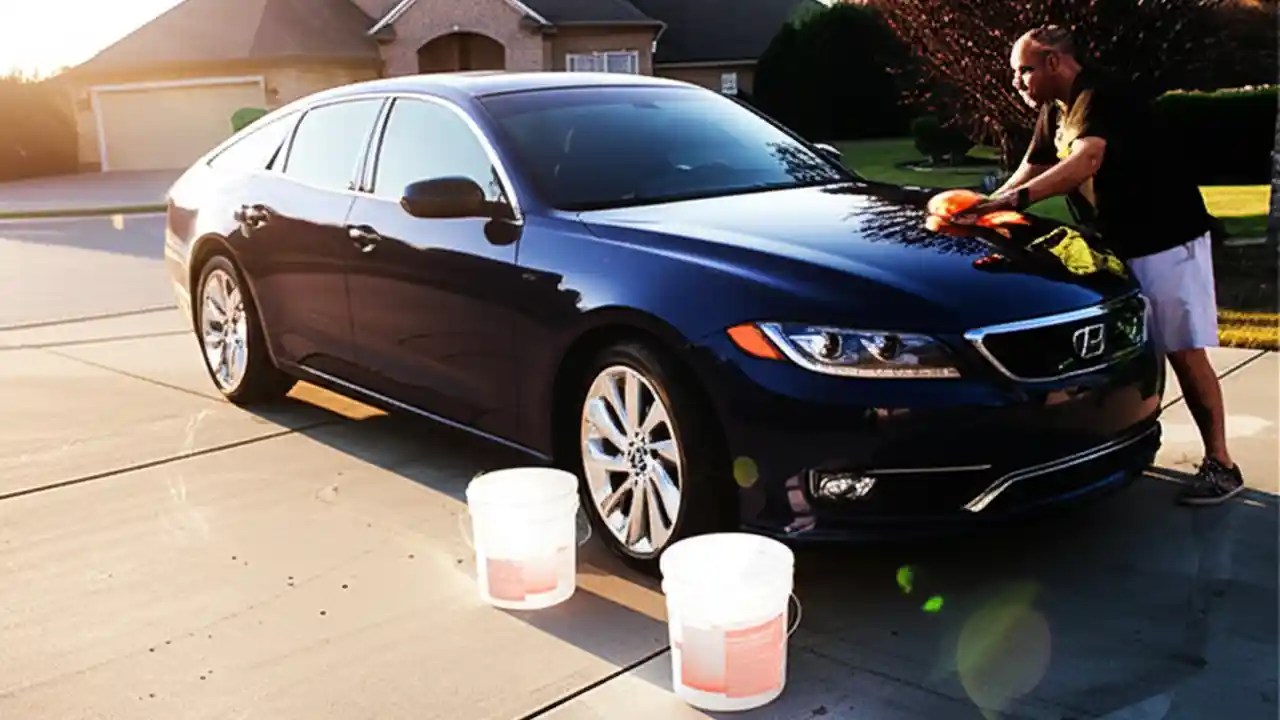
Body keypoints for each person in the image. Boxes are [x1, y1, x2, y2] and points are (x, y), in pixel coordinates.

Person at [952, 25, 1244, 505]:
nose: (1017, 82)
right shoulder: (1054, 109)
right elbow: (1036, 163)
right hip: (1117, 243)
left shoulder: (1100, 96)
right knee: (1119, 351)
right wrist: (989, 206)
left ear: (1054, 62)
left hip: (1166, 240)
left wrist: (1014, 199)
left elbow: (1087, 161)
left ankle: (1222, 464)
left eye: (1023, 70)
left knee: (1183, 352)